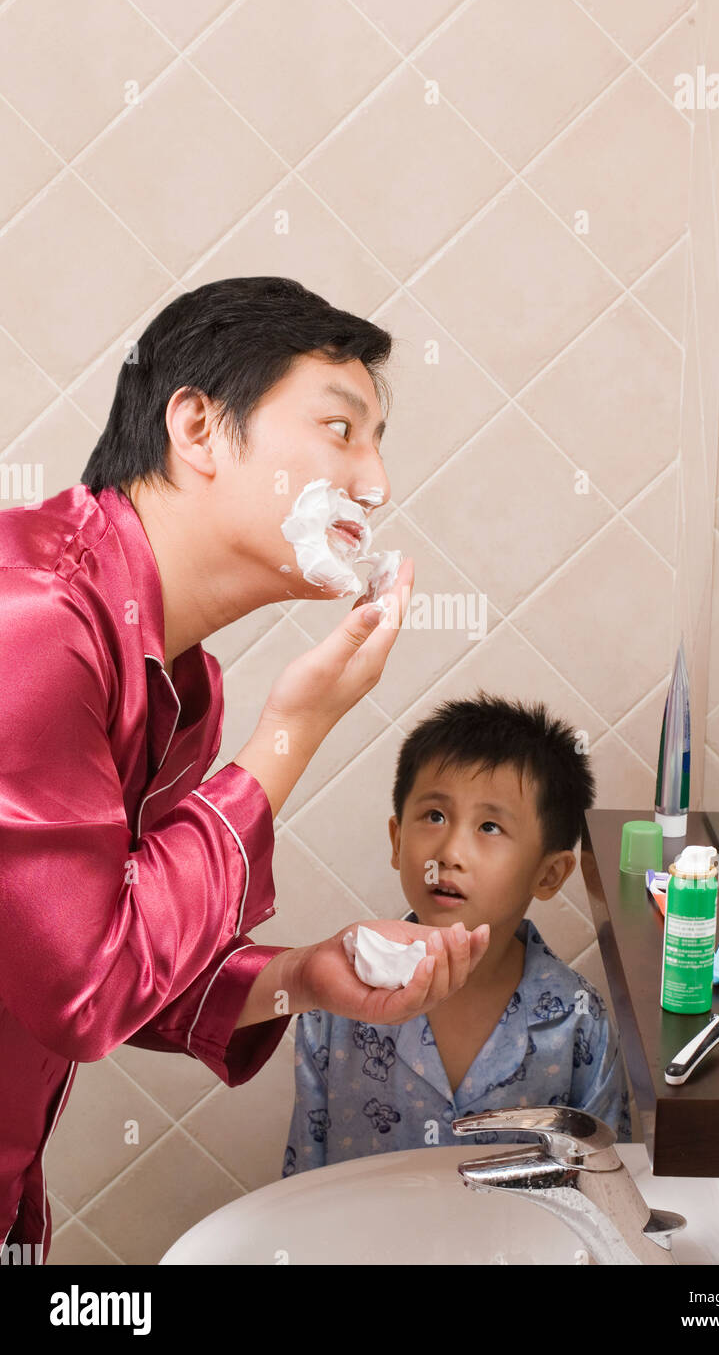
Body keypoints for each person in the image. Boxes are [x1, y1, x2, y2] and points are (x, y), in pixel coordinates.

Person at [0, 276, 490, 1264]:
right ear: (196, 425)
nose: (376, 481)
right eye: (339, 427)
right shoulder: (34, 623)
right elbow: (88, 992)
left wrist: (302, 976)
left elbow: (113, 943)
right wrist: (291, 735)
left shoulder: (181, 685)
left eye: (378, 439)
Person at [283, 693, 632, 1176]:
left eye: (490, 826)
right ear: (397, 839)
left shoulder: (578, 1024)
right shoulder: (336, 1001)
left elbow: (607, 1187)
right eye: (435, 816)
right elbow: (305, 1177)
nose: (450, 851)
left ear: (549, 874)